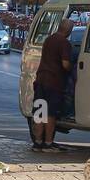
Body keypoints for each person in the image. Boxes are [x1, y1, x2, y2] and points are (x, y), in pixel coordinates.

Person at [32, 17, 74, 153]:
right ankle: (48, 144)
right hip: (54, 82)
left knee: (39, 112)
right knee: (50, 114)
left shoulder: (49, 39)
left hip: (40, 80)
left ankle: (37, 143)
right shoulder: (64, 43)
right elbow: (65, 64)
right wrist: (72, 69)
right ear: (69, 31)